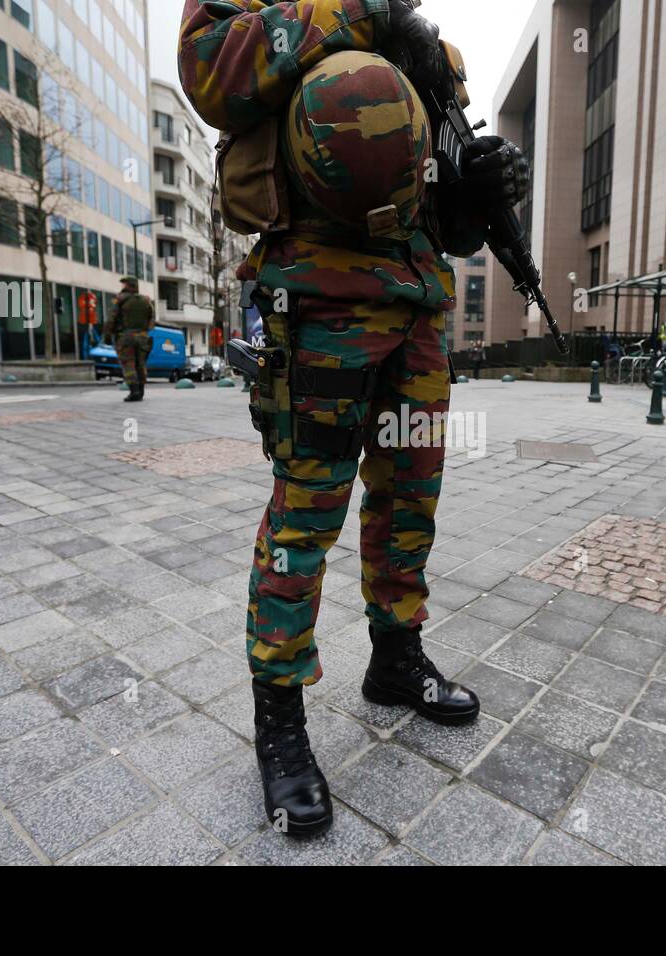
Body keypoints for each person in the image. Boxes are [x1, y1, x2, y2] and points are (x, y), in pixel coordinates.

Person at [180, 0, 530, 835]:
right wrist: (354, 13)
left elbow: (440, 213)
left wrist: (480, 186)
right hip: (317, 297)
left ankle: (395, 659)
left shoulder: (423, 43)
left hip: (414, 301)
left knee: (411, 496)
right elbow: (210, 72)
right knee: (308, 507)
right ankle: (281, 717)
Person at [105, 276, 155, 402]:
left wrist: (107, 335)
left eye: (124, 285)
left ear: (128, 286)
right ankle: (141, 391)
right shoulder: (146, 301)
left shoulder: (120, 300)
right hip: (143, 337)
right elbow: (152, 320)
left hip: (126, 337)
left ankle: (134, 392)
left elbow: (111, 319)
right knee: (141, 364)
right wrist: (144, 331)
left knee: (129, 365)